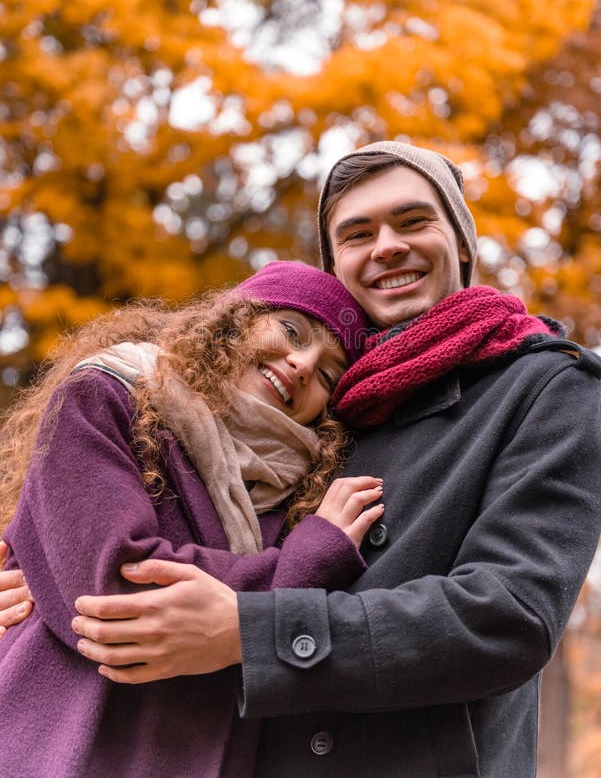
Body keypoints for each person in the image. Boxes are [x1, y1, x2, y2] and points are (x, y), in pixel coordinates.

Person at [5, 142, 601, 777]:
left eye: (412, 221)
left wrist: (251, 631)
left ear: (459, 243)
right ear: (336, 266)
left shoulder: (543, 385)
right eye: (358, 233)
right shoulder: (310, 423)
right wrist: (41, 568)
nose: (387, 245)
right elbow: (121, 553)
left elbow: (506, 616)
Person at [0, 260, 383, 777]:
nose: (301, 364)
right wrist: (303, 565)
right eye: (292, 331)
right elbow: (119, 589)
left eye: (328, 373)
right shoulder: (105, 395)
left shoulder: (303, 494)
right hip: (62, 747)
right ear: (237, 319)